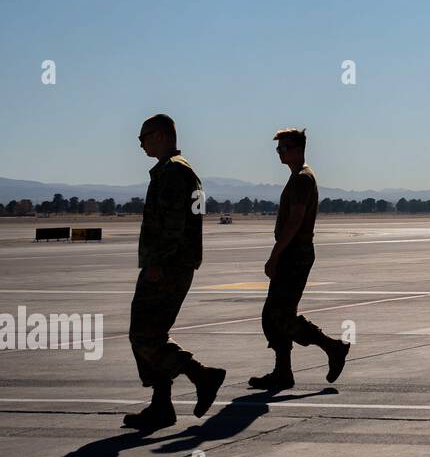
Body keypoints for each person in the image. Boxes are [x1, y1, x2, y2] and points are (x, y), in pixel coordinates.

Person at [124, 114, 226, 431]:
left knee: (143, 334)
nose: (141, 143)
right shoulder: (181, 171)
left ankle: (200, 375)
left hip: (166, 267)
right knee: (152, 333)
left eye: (146, 136)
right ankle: (162, 404)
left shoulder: (172, 172)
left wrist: (157, 263)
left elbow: (173, 227)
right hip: (176, 264)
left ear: (165, 135)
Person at [248, 128, 350, 391]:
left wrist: (275, 254)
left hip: (295, 253)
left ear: (298, 149)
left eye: (284, 147)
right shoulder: (297, 177)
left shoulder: (303, 178)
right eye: (278, 149)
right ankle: (283, 372)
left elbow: (295, 220)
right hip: (293, 252)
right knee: (274, 315)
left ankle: (332, 347)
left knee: (278, 314)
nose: (280, 153)